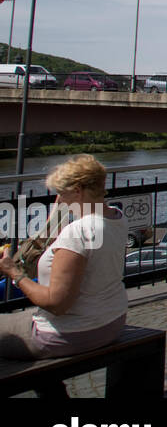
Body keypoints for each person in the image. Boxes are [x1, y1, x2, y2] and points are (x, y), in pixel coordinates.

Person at [0, 155, 129, 372]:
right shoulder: (117, 217)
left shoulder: (78, 232)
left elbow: (56, 304)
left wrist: (14, 273)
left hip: (70, 333)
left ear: (77, 190)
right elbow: (70, 241)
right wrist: (58, 213)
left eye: (61, 193)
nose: (59, 198)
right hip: (111, 321)